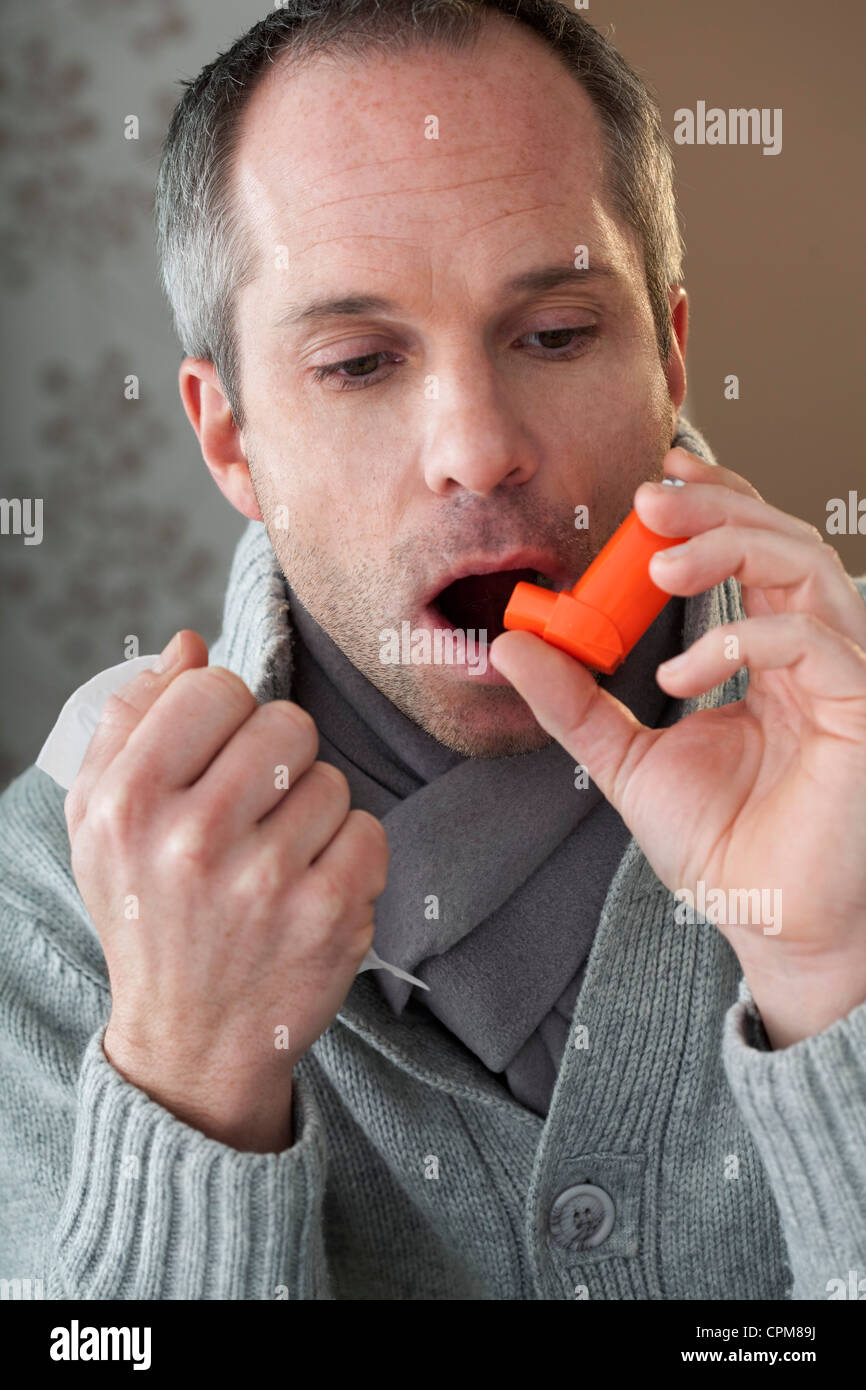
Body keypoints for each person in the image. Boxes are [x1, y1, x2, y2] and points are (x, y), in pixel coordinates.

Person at [1, 0, 864, 1301]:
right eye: (355, 362)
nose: (474, 444)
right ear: (229, 437)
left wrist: (833, 978)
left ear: (670, 356)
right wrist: (185, 1087)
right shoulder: (50, 903)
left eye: (557, 335)